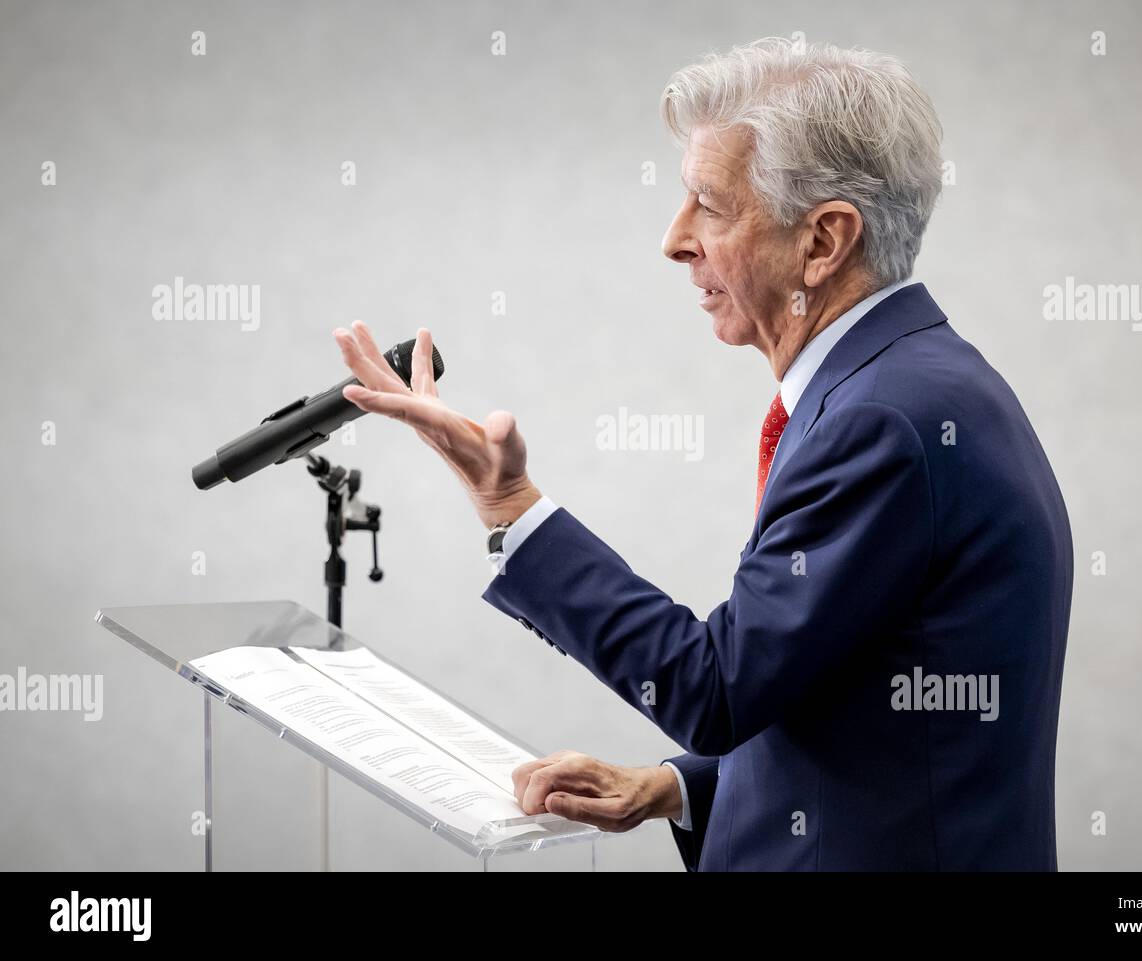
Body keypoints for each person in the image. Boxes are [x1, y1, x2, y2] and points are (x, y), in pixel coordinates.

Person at [332, 37, 1073, 871]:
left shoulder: (884, 422)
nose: (674, 239)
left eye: (709, 204)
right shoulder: (913, 385)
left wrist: (512, 507)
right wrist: (677, 788)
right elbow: (850, 699)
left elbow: (717, 687)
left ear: (822, 242)